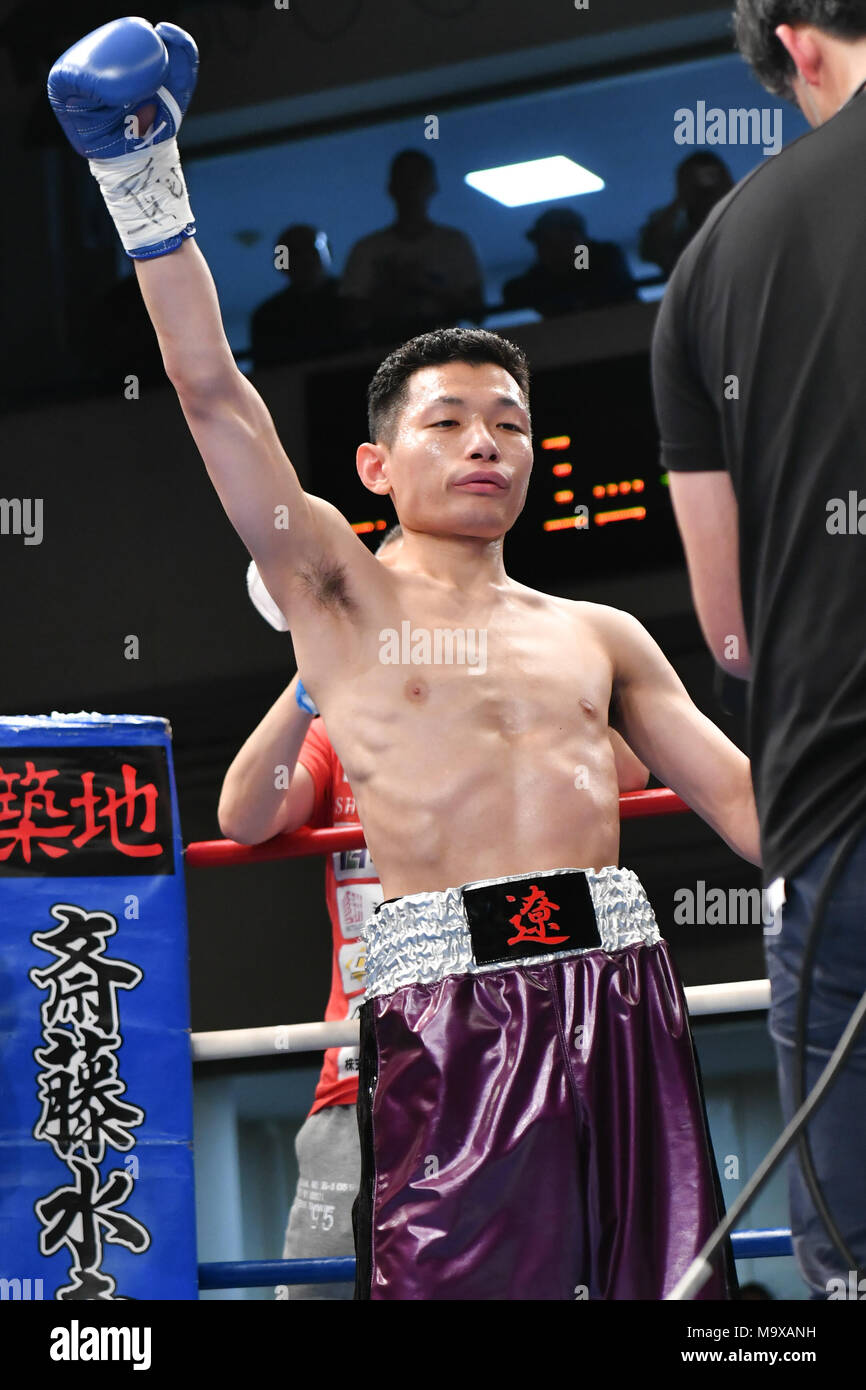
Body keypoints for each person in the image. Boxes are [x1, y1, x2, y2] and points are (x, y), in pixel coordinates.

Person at [49, 16, 760, 1300]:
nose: (487, 442)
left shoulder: (598, 632)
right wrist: (138, 179)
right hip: (449, 1012)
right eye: (449, 421)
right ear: (377, 463)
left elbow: (742, 799)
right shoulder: (338, 594)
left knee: (674, 1302)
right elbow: (211, 392)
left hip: (623, 989)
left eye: (510, 421)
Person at [219, 529, 652, 1301]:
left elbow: (627, 770)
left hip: (513, 1047)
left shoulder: (514, 699)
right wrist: (313, 675)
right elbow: (246, 815)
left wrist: (512, 686)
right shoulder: (337, 723)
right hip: (368, 1068)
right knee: (317, 1290)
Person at [651, 1, 866, 1298]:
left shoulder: (706, 271)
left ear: (791, 44)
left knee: (843, 1257)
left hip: (830, 819)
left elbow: (726, 626)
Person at [339, 149, 485, 345]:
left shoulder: (454, 243)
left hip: (443, 351)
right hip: (386, 352)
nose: (411, 186)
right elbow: (351, 317)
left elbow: (478, 312)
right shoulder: (367, 250)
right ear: (392, 187)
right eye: (404, 178)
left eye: (418, 177)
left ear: (432, 186)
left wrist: (424, 285)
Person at [503, 207, 637, 317]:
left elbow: (583, 277)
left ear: (580, 239)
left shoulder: (603, 256)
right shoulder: (540, 275)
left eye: (563, 241)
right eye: (545, 243)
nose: (555, 249)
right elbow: (513, 291)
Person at [249, 224, 347, 368]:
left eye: (311, 250)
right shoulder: (267, 316)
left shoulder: (352, 298)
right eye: (295, 253)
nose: (304, 258)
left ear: (329, 253)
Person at [639, 153, 734, 279]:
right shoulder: (672, 221)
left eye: (711, 174)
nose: (704, 180)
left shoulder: (741, 210)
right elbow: (653, 251)